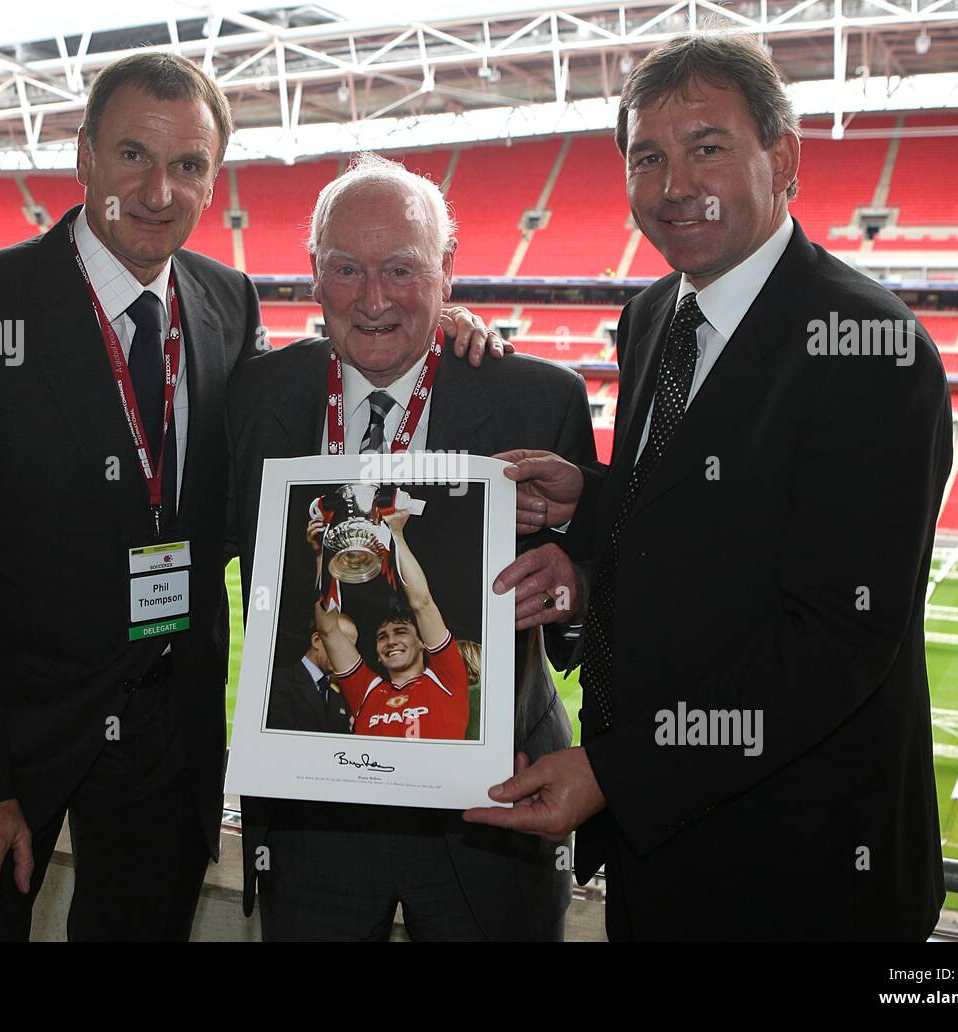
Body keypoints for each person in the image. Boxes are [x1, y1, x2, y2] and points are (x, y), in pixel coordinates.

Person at [0, 52, 498, 942]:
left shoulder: (226, 301)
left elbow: (300, 422)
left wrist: (441, 322)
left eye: (190, 165)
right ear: (83, 156)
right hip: (11, 740)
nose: (159, 191)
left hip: (167, 740)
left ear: (213, 177)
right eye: (133, 156)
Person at [468, 32, 952, 942]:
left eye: (708, 148)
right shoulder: (654, 315)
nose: (674, 184)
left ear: (785, 157)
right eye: (648, 157)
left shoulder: (870, 349)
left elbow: (837, 637)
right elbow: (704, 518)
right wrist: (594, 504)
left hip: (803, 872)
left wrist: (618, 772)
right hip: (664, 862)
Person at [227, 153, 597, 941]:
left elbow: (597, 586)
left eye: (401, 269)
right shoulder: (256, 396)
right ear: (314, 276)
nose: (372, 299)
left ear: (446, 271)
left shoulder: (538, 399)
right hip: (313, 809)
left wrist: (570, 589)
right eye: (347, 269)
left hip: (491, 805)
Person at [314, 507, 470, 740]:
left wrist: (397, 534)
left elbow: (422, 603)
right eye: (382, 637)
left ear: (422, 643)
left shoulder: (446, 679)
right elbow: (328, 629)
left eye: (401, 632)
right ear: (376, 653)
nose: (391, 641)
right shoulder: (366, 691)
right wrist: (325, 554)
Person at [267, 608, 358, 735]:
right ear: (316, 640)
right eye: (340, 643)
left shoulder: (339, 701)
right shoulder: (276, 682)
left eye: (350, 649)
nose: (346, 654)